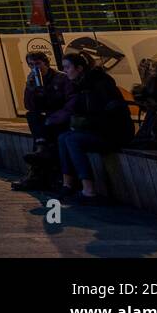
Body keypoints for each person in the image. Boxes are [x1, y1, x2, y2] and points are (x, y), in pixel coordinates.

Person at [54, 52, 134, 204]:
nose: (65, 71)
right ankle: (67, 183)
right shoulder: (83, 84)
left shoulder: (96, 85)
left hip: (113, 133)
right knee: (63, 137)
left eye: (67, 67)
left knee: (72, 140)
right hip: (100, 130)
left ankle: (89, 190)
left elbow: (100, 114)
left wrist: (80, 123)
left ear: (79, 68)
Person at [11, 51, 73, 191]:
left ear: (45, 62)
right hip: (45, 120)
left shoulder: (61, 78)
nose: (35, 68)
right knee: (33, 116)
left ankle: (36, 170)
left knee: (42, 136)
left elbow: (67, 102)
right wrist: (30, 88)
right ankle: (41, 150)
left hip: (59, 118)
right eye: (31, 65)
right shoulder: (34, 80)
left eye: (37, 64)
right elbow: (29, 105)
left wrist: (55, 115)